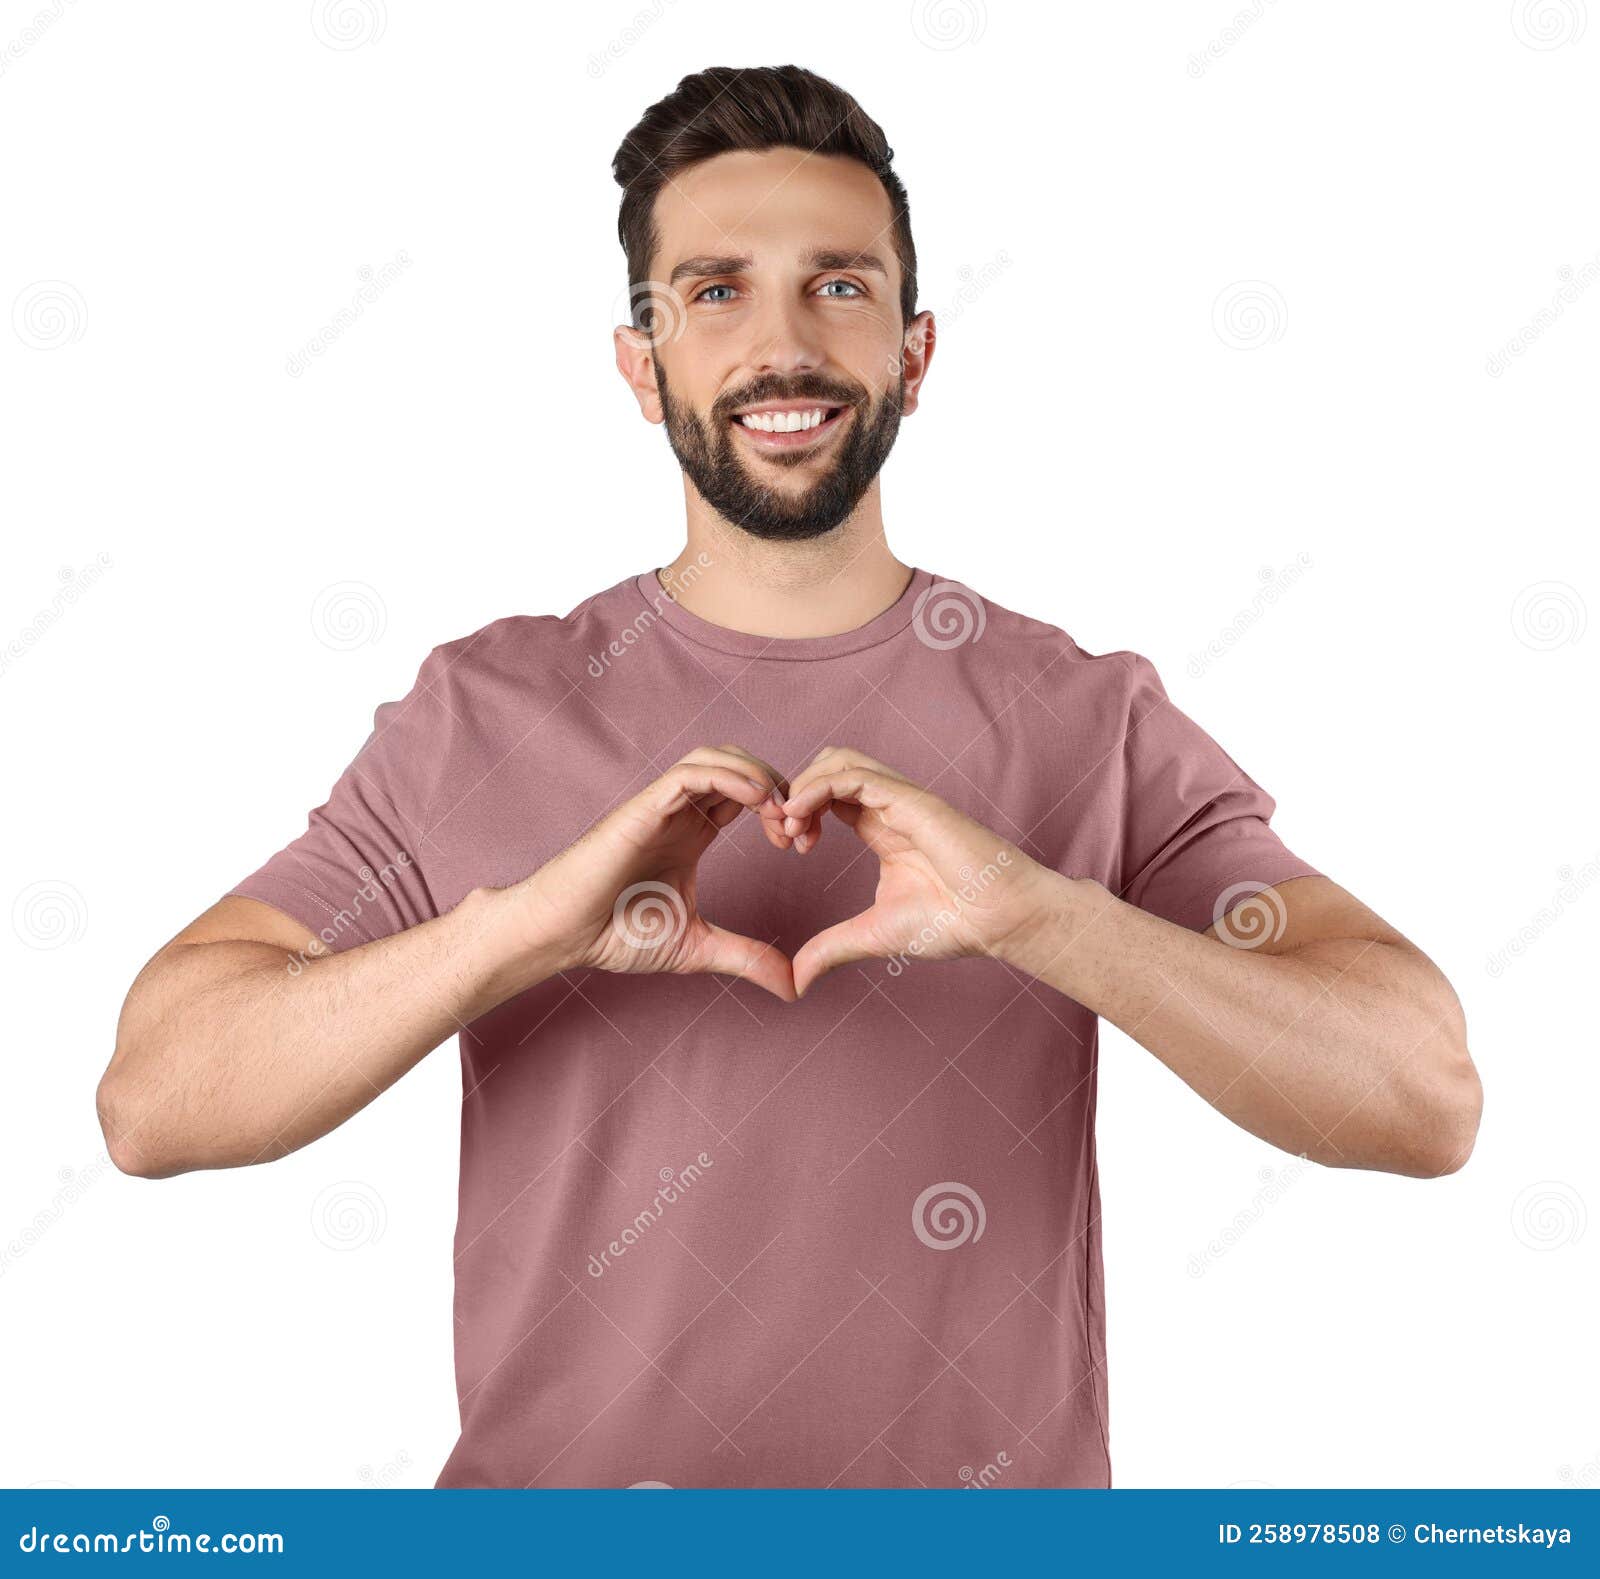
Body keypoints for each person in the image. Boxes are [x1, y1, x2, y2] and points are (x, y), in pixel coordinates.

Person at [97, 65, 1481, 1488]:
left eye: (837, 287)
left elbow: (1422, 1093)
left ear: (916, 352)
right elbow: (157, 1101)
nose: (783, 345)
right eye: (713, 291)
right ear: (642, 366)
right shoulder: (485, 712)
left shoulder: (1082, 716)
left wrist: (1042, 915)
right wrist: (516, 930)